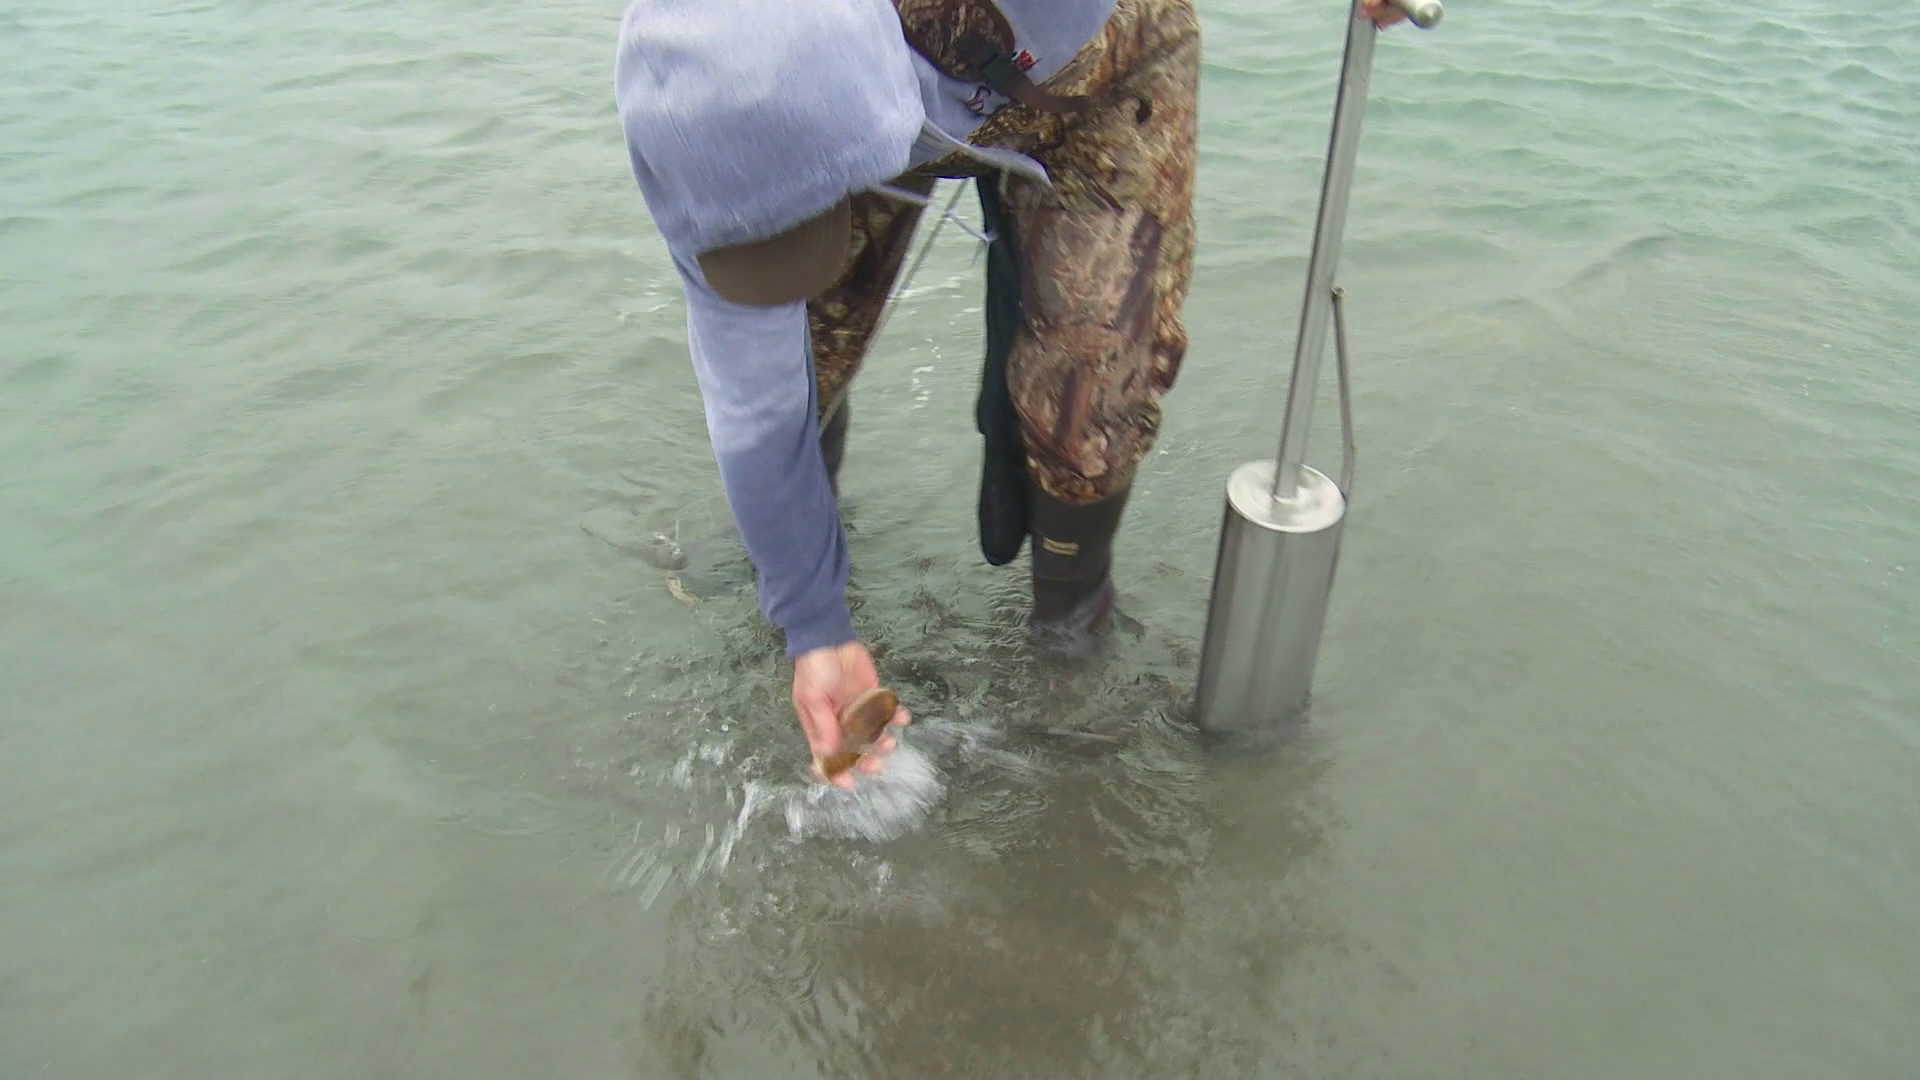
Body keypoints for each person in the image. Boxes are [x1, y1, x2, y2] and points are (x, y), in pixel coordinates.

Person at [614, 0, 1407, 784]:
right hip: (867, 112)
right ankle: (795, 584)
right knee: (802, 362)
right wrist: (815, 629)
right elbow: (754, 407)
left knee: (1087, 386)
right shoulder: (696, 145)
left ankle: (1069, 636)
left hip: (1088, 64)